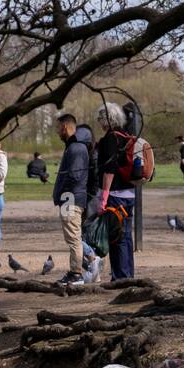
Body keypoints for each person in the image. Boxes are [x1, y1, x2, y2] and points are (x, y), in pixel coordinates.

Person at [96, 102, 153, 281]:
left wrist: (104, 197)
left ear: (107, 119)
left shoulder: (110, 138)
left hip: (115, 196)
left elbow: (110, 169)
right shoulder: (126, 136)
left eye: (100, 118)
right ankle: (127, 274)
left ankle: (120, 277)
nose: (99, 122)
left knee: (116, 237)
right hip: (129, 194)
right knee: (126, 236)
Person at [51, 113, 89, 286]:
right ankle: (92, 260)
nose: (58, 131)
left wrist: (61, 190)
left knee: (73, 237)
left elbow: (74, 175)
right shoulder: (72, 147)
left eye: (59, 127)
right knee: (72, 236)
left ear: (65, 126)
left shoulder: (76, 148)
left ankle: (76, 274)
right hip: (69, 197)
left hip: (70, 198)